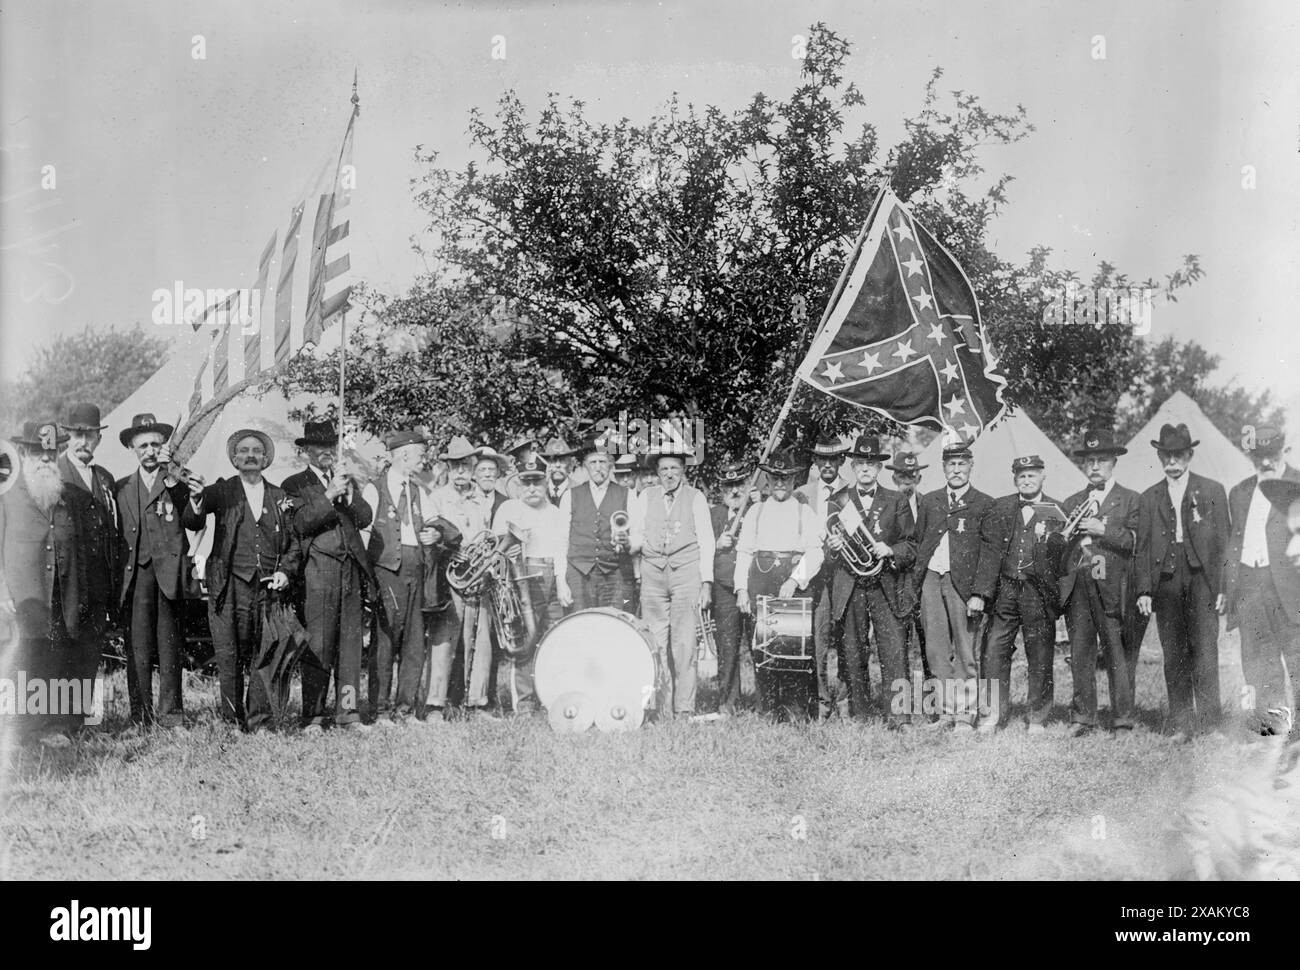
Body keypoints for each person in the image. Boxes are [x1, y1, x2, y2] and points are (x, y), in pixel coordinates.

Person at [181, 429, 301, 731]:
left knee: (266, 651)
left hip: (268, 587)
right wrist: (195, 497)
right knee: (228, 653)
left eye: (257, 451)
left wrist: (285, 571)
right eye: (244, 451)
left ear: (265, 459)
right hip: (229, 587)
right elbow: (193, 519)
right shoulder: (222, 491)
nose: (250, 455)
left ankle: (260, 720)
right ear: (234, 458)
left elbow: (294, 544)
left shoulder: (280, 497)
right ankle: (231, 720)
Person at [0, 420, 95, 746]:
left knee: (54, 658)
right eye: (38, 452)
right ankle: (19, 729)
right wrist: (2, 591)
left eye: (51, 453)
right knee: (22, 660)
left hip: (60, 592)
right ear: (25, 452)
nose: (45, 459)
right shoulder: (8, 494)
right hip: (22, 596)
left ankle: (50, 727)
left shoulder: (65, 494)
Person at [1135, 423, 1230, 741]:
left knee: (1205, 650)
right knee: (1173, 652)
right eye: (1166, 455)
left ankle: (1211, 724)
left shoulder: (1213, 490)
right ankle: (1181, 723)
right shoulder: (1150, 497)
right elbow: (1143, 547)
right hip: (1166, 580)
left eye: (1178, 455)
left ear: (1189, 455)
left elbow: (1224, 542)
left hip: (1202, 578)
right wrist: (1144, 589)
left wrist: (1224, 587)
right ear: (1160, 457)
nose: (1172, 461)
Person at [282, 421, 376, 732]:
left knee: (349, 648)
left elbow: (364, 518)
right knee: (318, 646)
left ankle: (348, 713)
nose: (326, 452)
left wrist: (347, 493)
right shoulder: (294, 484)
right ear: (306, 451)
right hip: (317, 574)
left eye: (330, 446)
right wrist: (328, 494)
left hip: (349, 573)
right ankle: (314, 715)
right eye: (318, 446)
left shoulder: (347, 480)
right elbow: (300, 524)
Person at [824, 434, 916, 726]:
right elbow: (828, 547)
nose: (865, 469)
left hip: (886, 584)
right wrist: (833, 548)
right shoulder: (838, 500)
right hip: (850, 584)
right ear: (852, 466)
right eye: (860, 463)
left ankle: (899, 716)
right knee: (852, 651)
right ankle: (861, 713)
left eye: (871, 464)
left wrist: (889, 549)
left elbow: (910, 545)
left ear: (879, 468)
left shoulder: (897, 500)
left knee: (894, 650)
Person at [978, 455, 1068, 734]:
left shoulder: (1056, 510)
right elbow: (990, 551)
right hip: (1006, 588)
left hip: (1037, 591)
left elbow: (1064, 560)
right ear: (1014, 478)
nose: (1027, 480)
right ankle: (993, 714)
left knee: (1039, 653)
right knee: (994, 649)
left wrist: (1051, 538)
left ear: (1043, 476)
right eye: (1021, 476)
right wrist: (982, 592)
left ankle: (1037, 718)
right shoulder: (1001, 506)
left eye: (1032, 475)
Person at [1059, 429, 1141, 736]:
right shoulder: (1071, 501)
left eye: (1101, 460)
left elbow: (1134, 541)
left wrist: (1101, 528)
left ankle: (1122, 719)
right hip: (1079, 583)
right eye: (1089, 461)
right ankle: (1083, 718)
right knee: (1080, 651)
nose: (1095, 466)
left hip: (1111, 584)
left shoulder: (1130, 499)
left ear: (1113, 462)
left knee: (1115, 652)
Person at [115, 413, 192, 729]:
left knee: (169, 646)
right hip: (135, 578)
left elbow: (193, 516)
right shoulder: (120, 487)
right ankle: (140, 716)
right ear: (133, 447)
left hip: (168, 576)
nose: (149, 450)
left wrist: (173, 475)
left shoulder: (177, 480)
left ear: (163, 447)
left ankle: (171, 715)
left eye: (155, 444)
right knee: (138, 649)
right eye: (143, 445)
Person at [734, 449, 824, 719]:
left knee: (792, 648)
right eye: (775, 478)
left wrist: (795, 580)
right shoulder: (756, 512)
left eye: (785, 478)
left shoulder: (803, 512)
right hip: (760, 580)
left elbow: (816, 551)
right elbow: (744, 552)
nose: (780, 483)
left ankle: (795, 710)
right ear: (768, 481)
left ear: (794, 480)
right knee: (762, 648)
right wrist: (741, 589)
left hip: (790, 581)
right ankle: (768, 709)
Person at [362, 430, 443, 724]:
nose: (424, 461)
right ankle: (380, 710)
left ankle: (405, 709)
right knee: (384, 642)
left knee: (413, 644)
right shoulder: (375, 489)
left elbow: (438, 526)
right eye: (421, 455)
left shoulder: (421, 491)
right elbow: (364, 534)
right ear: (405, 455)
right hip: (387, 572)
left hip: (416, 570)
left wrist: (437, 533)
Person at [912, 442, 994, 733]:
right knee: (936, 651)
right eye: (951, 464)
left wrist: (980, 594)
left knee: (965, 652)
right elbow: (920, 541)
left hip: (964, 586)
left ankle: (965, 715)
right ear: (943, 468)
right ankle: (945, 713)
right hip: (932, 580)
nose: (956, 470)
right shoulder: (931, 501)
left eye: (962, 464)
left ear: (971, 466)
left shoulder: (984, 503)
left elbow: (989, 554)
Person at [1224, 425, 1300, 737]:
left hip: (1289, 589)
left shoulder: (1298, 484)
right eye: (1259, 456)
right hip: (1250, 587)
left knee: (1297, 661)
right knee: (1260, 661)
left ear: (1283, 451)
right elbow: (1234, 541)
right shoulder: (1240, 492)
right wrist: (1226, 589)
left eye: (1270, 455)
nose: (1265, 462)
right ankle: (1275, 728)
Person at [631, 447, 715, 718]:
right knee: (655, 641)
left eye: (674, 469)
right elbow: (637, 535)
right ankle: (659, 707)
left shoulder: (696, 498)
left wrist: (706, 582)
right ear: (656, 472)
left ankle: (684, 707)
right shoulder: (645, 496)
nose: (669, 474)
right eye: (664, 469)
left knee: (684, 643)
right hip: (653, 573)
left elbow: (706, 541)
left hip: (685, 573)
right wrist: (625, 543)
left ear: (683, 470)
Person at [489, 456, 564, 715]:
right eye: (526, 482)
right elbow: (496, 553)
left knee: (552, 639)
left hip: (551, 577)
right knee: (524, 641)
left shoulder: (555, 512)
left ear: (546, 484)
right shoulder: (509, 509)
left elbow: (561, 551)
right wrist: (502, 583)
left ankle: (550, 696)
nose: (532, 488)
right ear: (518, 485)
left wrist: (561, 584)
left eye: (537, 482)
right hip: (520, 578)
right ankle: (524, 703)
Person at [58, 403, 119, 717]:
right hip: (67, 583)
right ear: (68, 436)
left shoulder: (105, 478)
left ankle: (81, 719)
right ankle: (59, 721)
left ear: (98, 438)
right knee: (63, 650)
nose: (83, 442)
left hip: (98, 582)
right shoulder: (54, 472)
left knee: (90, 650)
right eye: (77, 435)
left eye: (90, 435)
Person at [421, 435, 482, 719]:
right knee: (443, 641)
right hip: (448, 580)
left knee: (472, 642)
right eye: (455, 465)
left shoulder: (481, 498)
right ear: (448, 467)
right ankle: (435, 704)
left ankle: (465, 702)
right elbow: (431, 538)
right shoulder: (437, 498)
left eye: (465, 465)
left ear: (473, 466)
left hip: (477, 579)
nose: (461, 471)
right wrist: (451, 550)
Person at [797, 433, 848, 719]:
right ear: (815, 461)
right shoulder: (801, 493)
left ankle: (843, 700)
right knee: (816, 640)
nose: (828, 464)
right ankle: (820, 702)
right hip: (815, 578)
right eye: (822, 459)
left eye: (833, 458)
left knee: (845, 639)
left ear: (840, 460)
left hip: (844, 573)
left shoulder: (851, 490)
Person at [556, 434, 636, 613]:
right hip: (578, 573)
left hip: (615, 574)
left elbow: (638, 536)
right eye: (593, 462)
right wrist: (560, 581)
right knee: (579, 626)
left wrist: (627, 542)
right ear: (585, 465)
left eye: (602, 461)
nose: (598, 467)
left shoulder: (627, 494)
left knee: (615, 627)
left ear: (610, 464)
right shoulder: (570, 495)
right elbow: (561, 542)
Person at [885, 450, 928, 702]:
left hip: (923, 584)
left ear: (919, 478)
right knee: (898, 646)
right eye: (902, 475)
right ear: (894, 478)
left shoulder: (929, 503)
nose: (906, 480)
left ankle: (932, 704)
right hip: (895, 583)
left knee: (929, 645)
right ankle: (901, 702)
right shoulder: (886, 505)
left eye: (911, 475)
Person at [708, 460, 750, 716]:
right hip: (724, 588)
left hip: (753, 587)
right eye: (729, 485)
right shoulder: (713, 515)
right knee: (728, 648)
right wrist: (716, 543)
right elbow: (699, 549)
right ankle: (728, 703)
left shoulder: (758, 510)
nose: (734, 490)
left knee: (761, 645)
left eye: (739, 484)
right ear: (721, 488)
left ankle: (764, 701)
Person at [542, 437, 573, 507]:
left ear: (570, 464)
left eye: (562, 460)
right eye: (553, 460)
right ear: (546, 463)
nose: (558, 465)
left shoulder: (577, 489)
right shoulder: (539, 488)